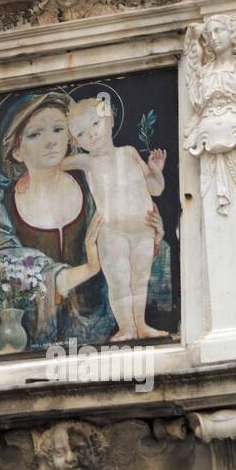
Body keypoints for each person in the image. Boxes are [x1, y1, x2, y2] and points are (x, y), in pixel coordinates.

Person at [0, 91, 166, 355]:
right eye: (35, 134)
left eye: (58, 130)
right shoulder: (2, 208)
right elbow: (3, 276)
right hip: (37, 346)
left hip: (101, 335)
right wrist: (90, 267)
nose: (50, 142)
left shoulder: (94, 182)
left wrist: (157, 235)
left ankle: (135, 325)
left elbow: (138, 238)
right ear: (16, 151)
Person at [62, 97, 170, 341]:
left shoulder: (129, 153)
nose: (91, 135)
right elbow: (54, 165)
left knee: (139, 280)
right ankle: (126, 328)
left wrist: (156, 171)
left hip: (143, 230)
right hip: (112, 232)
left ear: (109, 120)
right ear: (76, 142)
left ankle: (140, 325)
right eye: (80, 133)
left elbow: (155, 189)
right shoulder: (86, 161)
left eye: (95, 124)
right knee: (119, 281)